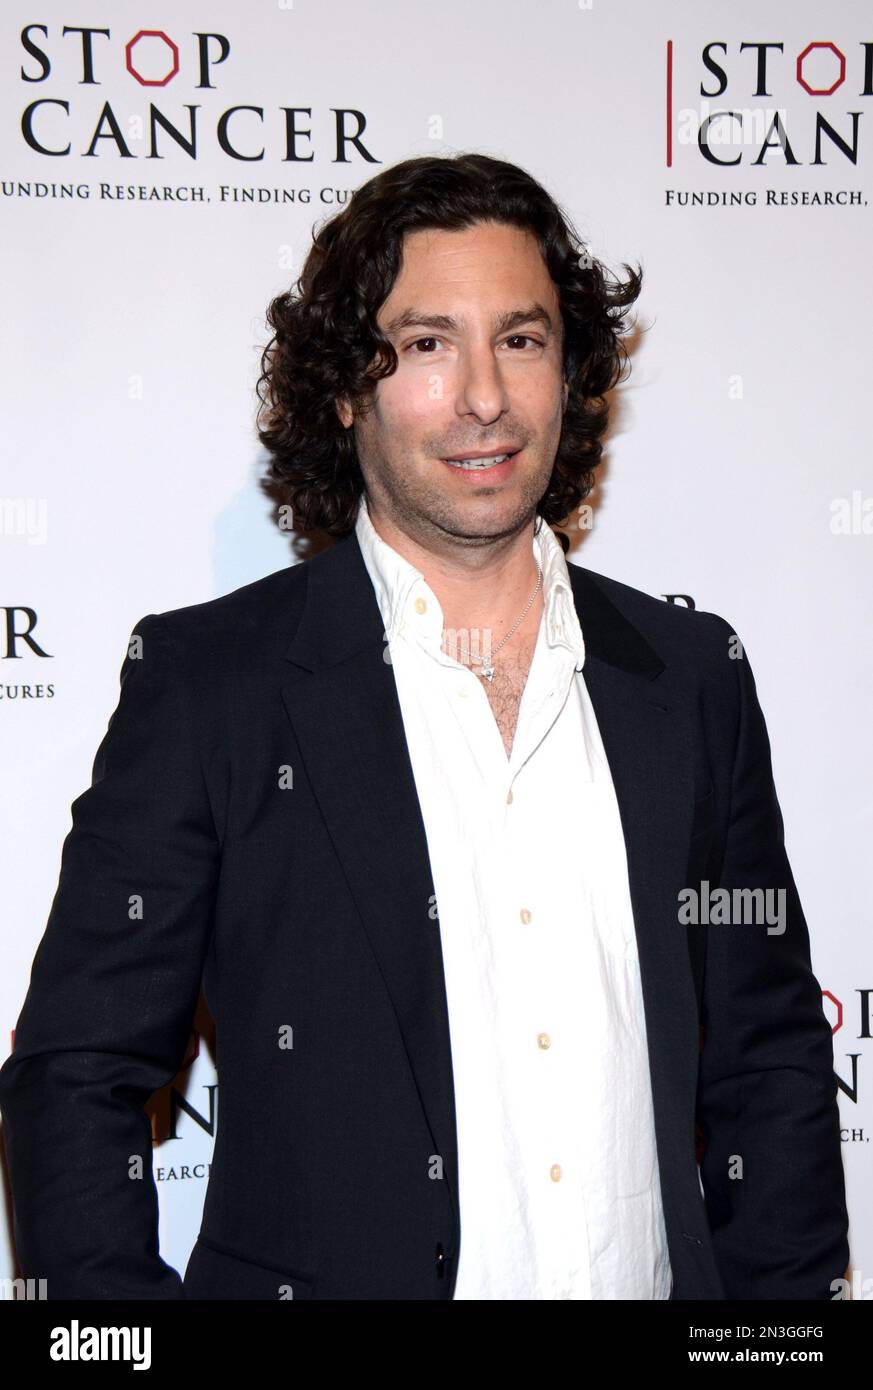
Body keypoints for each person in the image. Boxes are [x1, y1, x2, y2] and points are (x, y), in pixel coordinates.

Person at [0, 152, 849, 1300]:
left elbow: (772, 1060)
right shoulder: (215, 686)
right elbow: (75, 1073)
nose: (485, 396)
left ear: (573, 374)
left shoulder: (690, 678)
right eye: (427, 345)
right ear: (347, 387)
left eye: (524, 338)